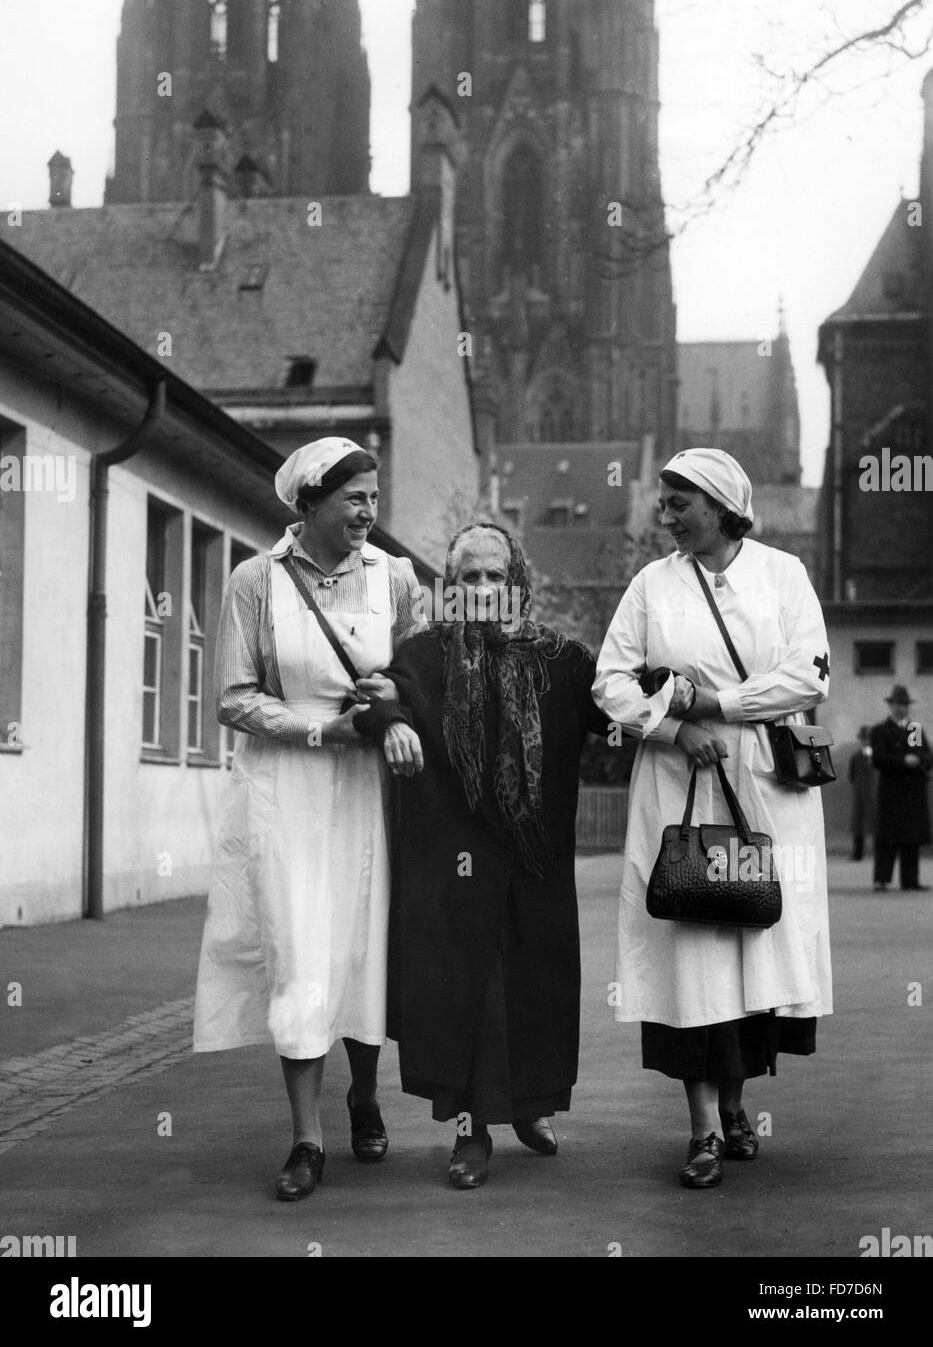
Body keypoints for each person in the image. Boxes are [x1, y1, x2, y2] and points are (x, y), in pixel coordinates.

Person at [593, 448, 833, 1190]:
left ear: (721, 504)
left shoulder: (781, 575)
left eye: (677, 503)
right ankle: (700, 1129)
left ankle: (736, 1107)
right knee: (690, 951)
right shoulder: (650, 585)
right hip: (680, 788)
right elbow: (609, 680)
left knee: (749, 942)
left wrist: (720, 706)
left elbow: (808, 672)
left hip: (765, 788)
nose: (664, 515)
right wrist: (671, 729)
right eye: (662, 503)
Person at [193, 437, 425, 1199]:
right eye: (355, 498)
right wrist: (319, 728)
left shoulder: (394, 579)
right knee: (299, 948)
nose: (369, 511)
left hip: (364, 789)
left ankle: (363, 1094)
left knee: (361, 941)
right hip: (285, 786)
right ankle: (306, 1136)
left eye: (374, 497)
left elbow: (416, 675)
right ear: (311, 503)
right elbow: (231, 697)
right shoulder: (255, 581)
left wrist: (387, 709)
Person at [356, 522, 610, 1189]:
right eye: (468, 576)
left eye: (495, 575)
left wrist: (678, 700)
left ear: (517, 583)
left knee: (535, 988)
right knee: (470, 995)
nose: (482, 587)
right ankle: (473, 1132)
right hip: (452, 861)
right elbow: (371, 702)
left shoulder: (563, 660)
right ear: (451, 587)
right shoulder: (423, 655)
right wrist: (393, 723)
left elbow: (619, 709)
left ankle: (529, 1108)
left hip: (533, 862)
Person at [869, 687, 932, 892]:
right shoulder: (881, 730)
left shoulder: (913, 730)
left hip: (913, 793)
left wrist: (918, 760)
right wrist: (903, 760)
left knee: (911, 838)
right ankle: (882, 879)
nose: (902, 708)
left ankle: (910, 880)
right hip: (892, 792)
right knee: (887, 838)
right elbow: (878, 758)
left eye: (905, 705)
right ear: (891, 705)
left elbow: (927, 755)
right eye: (898, 704)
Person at [847, 726, 875, 863]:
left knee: (877, 823)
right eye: (863, 739)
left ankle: (879, 853)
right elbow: (851, 775)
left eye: (868, 739)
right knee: (858, 825)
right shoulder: (856, 757)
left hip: (874, 794)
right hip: (860, 794)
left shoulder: (877, 756)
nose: (865, 741)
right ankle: (858, 853)